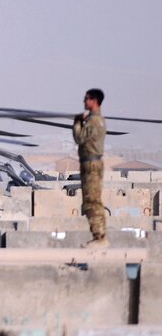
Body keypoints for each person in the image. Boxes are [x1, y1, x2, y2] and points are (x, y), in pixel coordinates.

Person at [73, 88, 107, 248]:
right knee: (94, 201)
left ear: (94, 101)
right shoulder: (96, 120)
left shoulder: (93, 122)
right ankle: (99, 236)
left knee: (91, 202)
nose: (84, 101)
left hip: (91, 164)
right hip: (92, 163)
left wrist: (77, 122)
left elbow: (79, 138)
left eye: (86, 99)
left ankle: (99, 237)